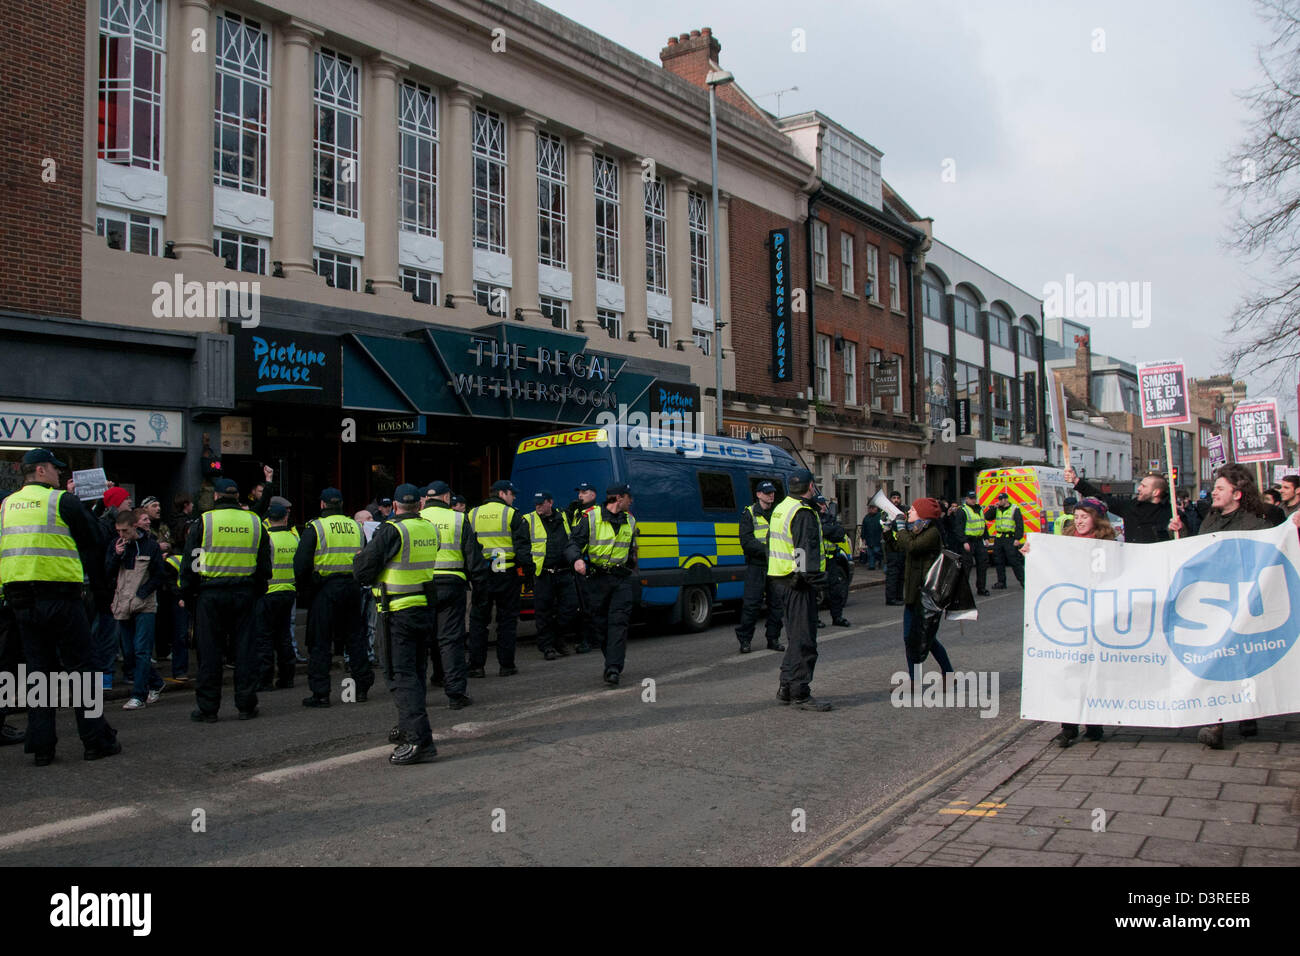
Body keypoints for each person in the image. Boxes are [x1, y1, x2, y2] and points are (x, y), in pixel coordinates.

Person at [0, 449, 120, 765]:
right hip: (61, 600)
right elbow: (95, 537)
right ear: (40, 470)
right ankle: (96, 741)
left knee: (39, 673)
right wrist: (100, 510)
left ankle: (42, 747)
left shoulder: (6, 506)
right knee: (82, 670)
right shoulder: (60, 502)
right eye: (56, 469)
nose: (59, 474)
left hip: (21, 603)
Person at [1169, 464, 1271, 750]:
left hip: (1242, 601)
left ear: (1237, 494)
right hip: (1212, 602)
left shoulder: (1255, 523)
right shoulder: (1210, 519)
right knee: (1216, 659)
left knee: (1241, 660)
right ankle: (1216, 721)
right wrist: (1182, 532)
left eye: (1220, 488)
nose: (1213, 491)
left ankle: (1248, 712)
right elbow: (1199, 552)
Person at [353, 484, 440, 764]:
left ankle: (419, 741)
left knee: (399, 676)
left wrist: (360, 560)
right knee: (415, 672)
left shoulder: (391, 530)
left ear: (395, 506)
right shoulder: (429, 528)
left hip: (396, 612)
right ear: (419, 505)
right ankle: (408, 727)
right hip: (422, 608)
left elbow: (364, 571)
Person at [1021, 497, 1114, 747]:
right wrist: (1032, 552)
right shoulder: (1066, 540)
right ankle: (1068, 727)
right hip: (1070, 616)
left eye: (1085, 516)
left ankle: (1094, 724)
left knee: (1093, 671)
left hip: (1097, 615)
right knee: (1069, 669)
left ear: (1097, 518)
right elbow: (1049, 562)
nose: (1079, 521)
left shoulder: (1108, 543)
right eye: (1077, 516)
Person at [179, 477, 272, 721]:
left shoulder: (205, 521)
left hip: (211, 594)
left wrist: (189, 594)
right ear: (238, 497)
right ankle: (246, 705)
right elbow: (264, 563)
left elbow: (191, 562)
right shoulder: (254, 521)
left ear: (217, 497)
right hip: (245, 593)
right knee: (245, 651)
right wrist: (257, 590)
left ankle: (208, 709)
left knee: (210, 653)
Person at [295, 488, 373, 708]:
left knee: (320, 642)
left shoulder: (316, 527)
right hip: (351, 587)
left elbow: (300, 565)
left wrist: (307, 589)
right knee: (355, 639)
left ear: (322, 505)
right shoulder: (355, 527)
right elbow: (365, 558)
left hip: (325, 589)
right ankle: (360, 689)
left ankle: (321, 694)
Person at [767, 469, 831, 711]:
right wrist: (817, 582)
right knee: (804, 639)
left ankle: (786, 687)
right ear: (811, 487)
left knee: (795, 637)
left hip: (782, 579)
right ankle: (800, 693)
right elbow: (805, 552)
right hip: (799, 582)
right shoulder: (803, 512)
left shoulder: (782, 507)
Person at [566, 483, 638, 686]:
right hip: (597, 580)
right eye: (628, 497)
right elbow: (573, 544)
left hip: (621, 579)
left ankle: (613, 668)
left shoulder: (630, 520)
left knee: (618, 623)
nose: (630, 501)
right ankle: (612, 660)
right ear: (619, 498)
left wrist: (633, 568)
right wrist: (576, 560)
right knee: (600, 626)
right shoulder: (591, 517)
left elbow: (630, 549)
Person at [419, 480, 482, 709]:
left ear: (425, 499)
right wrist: (478, 583)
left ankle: (419, 693)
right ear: (447, 498)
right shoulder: (458, 519)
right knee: (450, 639)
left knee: (421, 640)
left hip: (421, 585)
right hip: (452, 584)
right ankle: (455, 694)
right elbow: (473, 557)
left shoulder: (418, 520)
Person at [883, 498, 954, 683]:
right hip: (913, 595)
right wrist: (887, 531)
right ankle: (918, 679)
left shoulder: (932, 533)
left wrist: (900, 528)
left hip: (927, 596)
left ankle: (944, 674)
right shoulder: (915, 530)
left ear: (923, 515)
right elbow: (898, 547)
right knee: (910, 638)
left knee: (924, 638)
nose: (909, 512)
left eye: (913, 510)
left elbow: (912, 547)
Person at [467, 479, 529, 678]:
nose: (514, 498)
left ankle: (476, 666)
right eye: (512, 494)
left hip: (481, 574)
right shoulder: (512, 514)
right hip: (505, 573)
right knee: (507, 621)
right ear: (502, 493)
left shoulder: (472, 513)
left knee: (478, 622)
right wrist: (528, 573)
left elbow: (466, 546)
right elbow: (522, 549)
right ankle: (506, 666)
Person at [106, 508, 165, 710]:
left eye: (124, 531)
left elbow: (159, 575)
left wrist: (142, 593)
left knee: (141, 650)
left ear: (134, 527)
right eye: (118, 531)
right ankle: (156, 682)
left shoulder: (150, 546)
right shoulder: (116, 546)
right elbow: (107, 572)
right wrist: (116, 555)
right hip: (123, 603)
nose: (121, 535)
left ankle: (139, 695)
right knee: (129, 652)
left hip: (144, 604)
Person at [523, 491, 578, 660]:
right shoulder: (528, 519)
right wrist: (529, 568)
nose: (538, 506)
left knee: (570, 607)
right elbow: (522, 546)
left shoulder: (563, 518)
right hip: (543, 573)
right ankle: (548, 646)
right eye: (536, 504)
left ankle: (556, 637)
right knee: (543, 612)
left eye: (541, 503)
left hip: (564, 572)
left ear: (550, 503)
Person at [735, 480, 785, 653]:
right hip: (757, 566)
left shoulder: (778, 513)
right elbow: (746, 541)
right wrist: (768, 550)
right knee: (751, 605)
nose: (770, 495)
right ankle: (745, 641)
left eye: (772, 492)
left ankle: (773, 639)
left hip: (775, 566)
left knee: (776, 606)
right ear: (758, 495)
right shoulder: (749, 513)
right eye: (766, 492)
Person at [1065, 465, 1173, 544]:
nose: (1139, 488)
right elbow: (1102, 497)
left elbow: (1183, 539)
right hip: (1133, 563)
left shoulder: (1171, 512)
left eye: (1144, 486)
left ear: (1156, 492)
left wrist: (1178, 529)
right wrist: (1076, 481)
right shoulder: (1131, 507)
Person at [256, 498, 298, 691]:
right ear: (285, 517)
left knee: (264, 637)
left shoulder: (265, 538)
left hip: (268, 593)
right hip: (289, 592)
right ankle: (287, 677)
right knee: (284, 636)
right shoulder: (294, 538)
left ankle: (264, 679)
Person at [566, 481, 600, 653]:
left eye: (584, 492)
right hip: (580, 563)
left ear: (593, 495)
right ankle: (592, 638)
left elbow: (578, 539)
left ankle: (589, 640)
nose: (580, 495)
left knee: (587, 604)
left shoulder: (591, 514)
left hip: (587, 564)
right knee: (584, 604)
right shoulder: (579, 514)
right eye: (579, 492)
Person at [816, 495, 851, 627]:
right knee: (815, 592)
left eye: (824, 504)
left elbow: (840, 532)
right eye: (820, 504)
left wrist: (829, 531)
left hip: (831, 560)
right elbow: (819, 531)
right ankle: (815, 620)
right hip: (818, 560)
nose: (824, 506)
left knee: (835, 591)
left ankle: (837, 617)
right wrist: (830, 530)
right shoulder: (813, 517)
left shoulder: (830, 518)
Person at [983, 492, 1025, 589]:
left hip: (1009, 538)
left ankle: (1023, 581)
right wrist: (993, 508)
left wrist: (1018, 538)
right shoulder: (997, 509)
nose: (999, 501)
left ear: (1006, 499)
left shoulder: (1014, 509)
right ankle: (1001, 582)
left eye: (1001, 499)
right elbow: (987, 517)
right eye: (999, 499)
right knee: (998, 561)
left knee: (1014, 561)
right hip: (999, 538)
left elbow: (1019, 524)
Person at [958, 490, 990, 597]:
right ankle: (963, 590)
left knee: (982, 564)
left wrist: (986, 537)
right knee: (967, 566)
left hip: (979, 541)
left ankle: (981, 588)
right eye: (971, 498)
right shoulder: (963, 510)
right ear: (966, 499)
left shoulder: (979, 509)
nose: (973, 500)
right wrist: (964, 541)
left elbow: (983, 524)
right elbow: (959, 528)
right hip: (969, 541)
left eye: (974, 498)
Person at [884, 491, 905, 605]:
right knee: (893, 574)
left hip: (901, 546)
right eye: (894, 498)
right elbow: (884, 528)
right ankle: (891, 598)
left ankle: (899, 596)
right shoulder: (887, 512)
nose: (896, 500)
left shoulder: (902, 511)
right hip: (892, 546)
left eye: (898, 498)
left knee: (901, 573)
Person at [859, 504, 883, 569]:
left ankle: (879, 562)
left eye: (873, 508)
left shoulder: (880, 516)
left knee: (876, 551)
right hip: (869, 538)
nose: (872, 509)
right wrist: (863, 537)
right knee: (870, 553)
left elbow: (882, 528)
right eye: (870, 508)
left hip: (877, 538)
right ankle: (871, 566)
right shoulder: (866, 518)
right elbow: (864, 528)